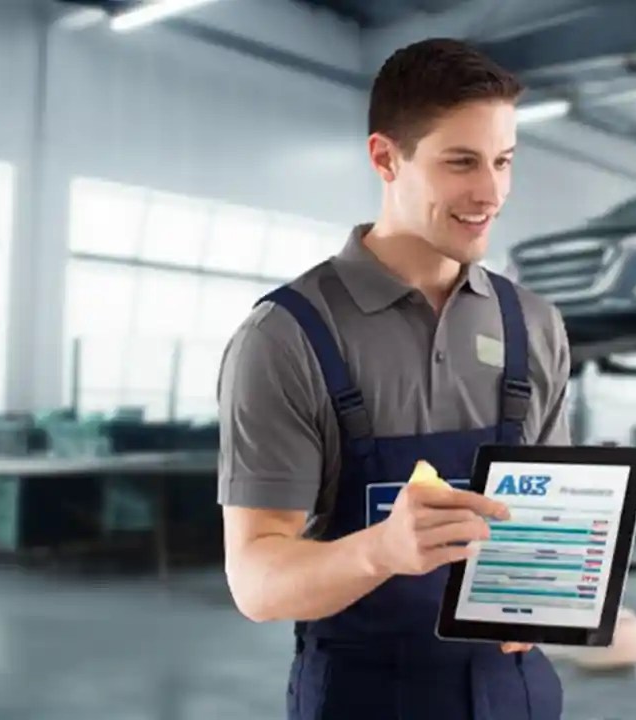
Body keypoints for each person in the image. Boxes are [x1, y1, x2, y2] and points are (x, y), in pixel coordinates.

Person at [216, 38, 571, 719]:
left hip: (515, 693)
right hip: (367, 695)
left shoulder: (535, 325)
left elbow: (546, 521)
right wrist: (382, 549)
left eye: (503, 162)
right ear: (385, 157)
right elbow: (256, 580)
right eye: (461, 162)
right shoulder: (287, 337)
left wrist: (555, 589)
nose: (491, 192)